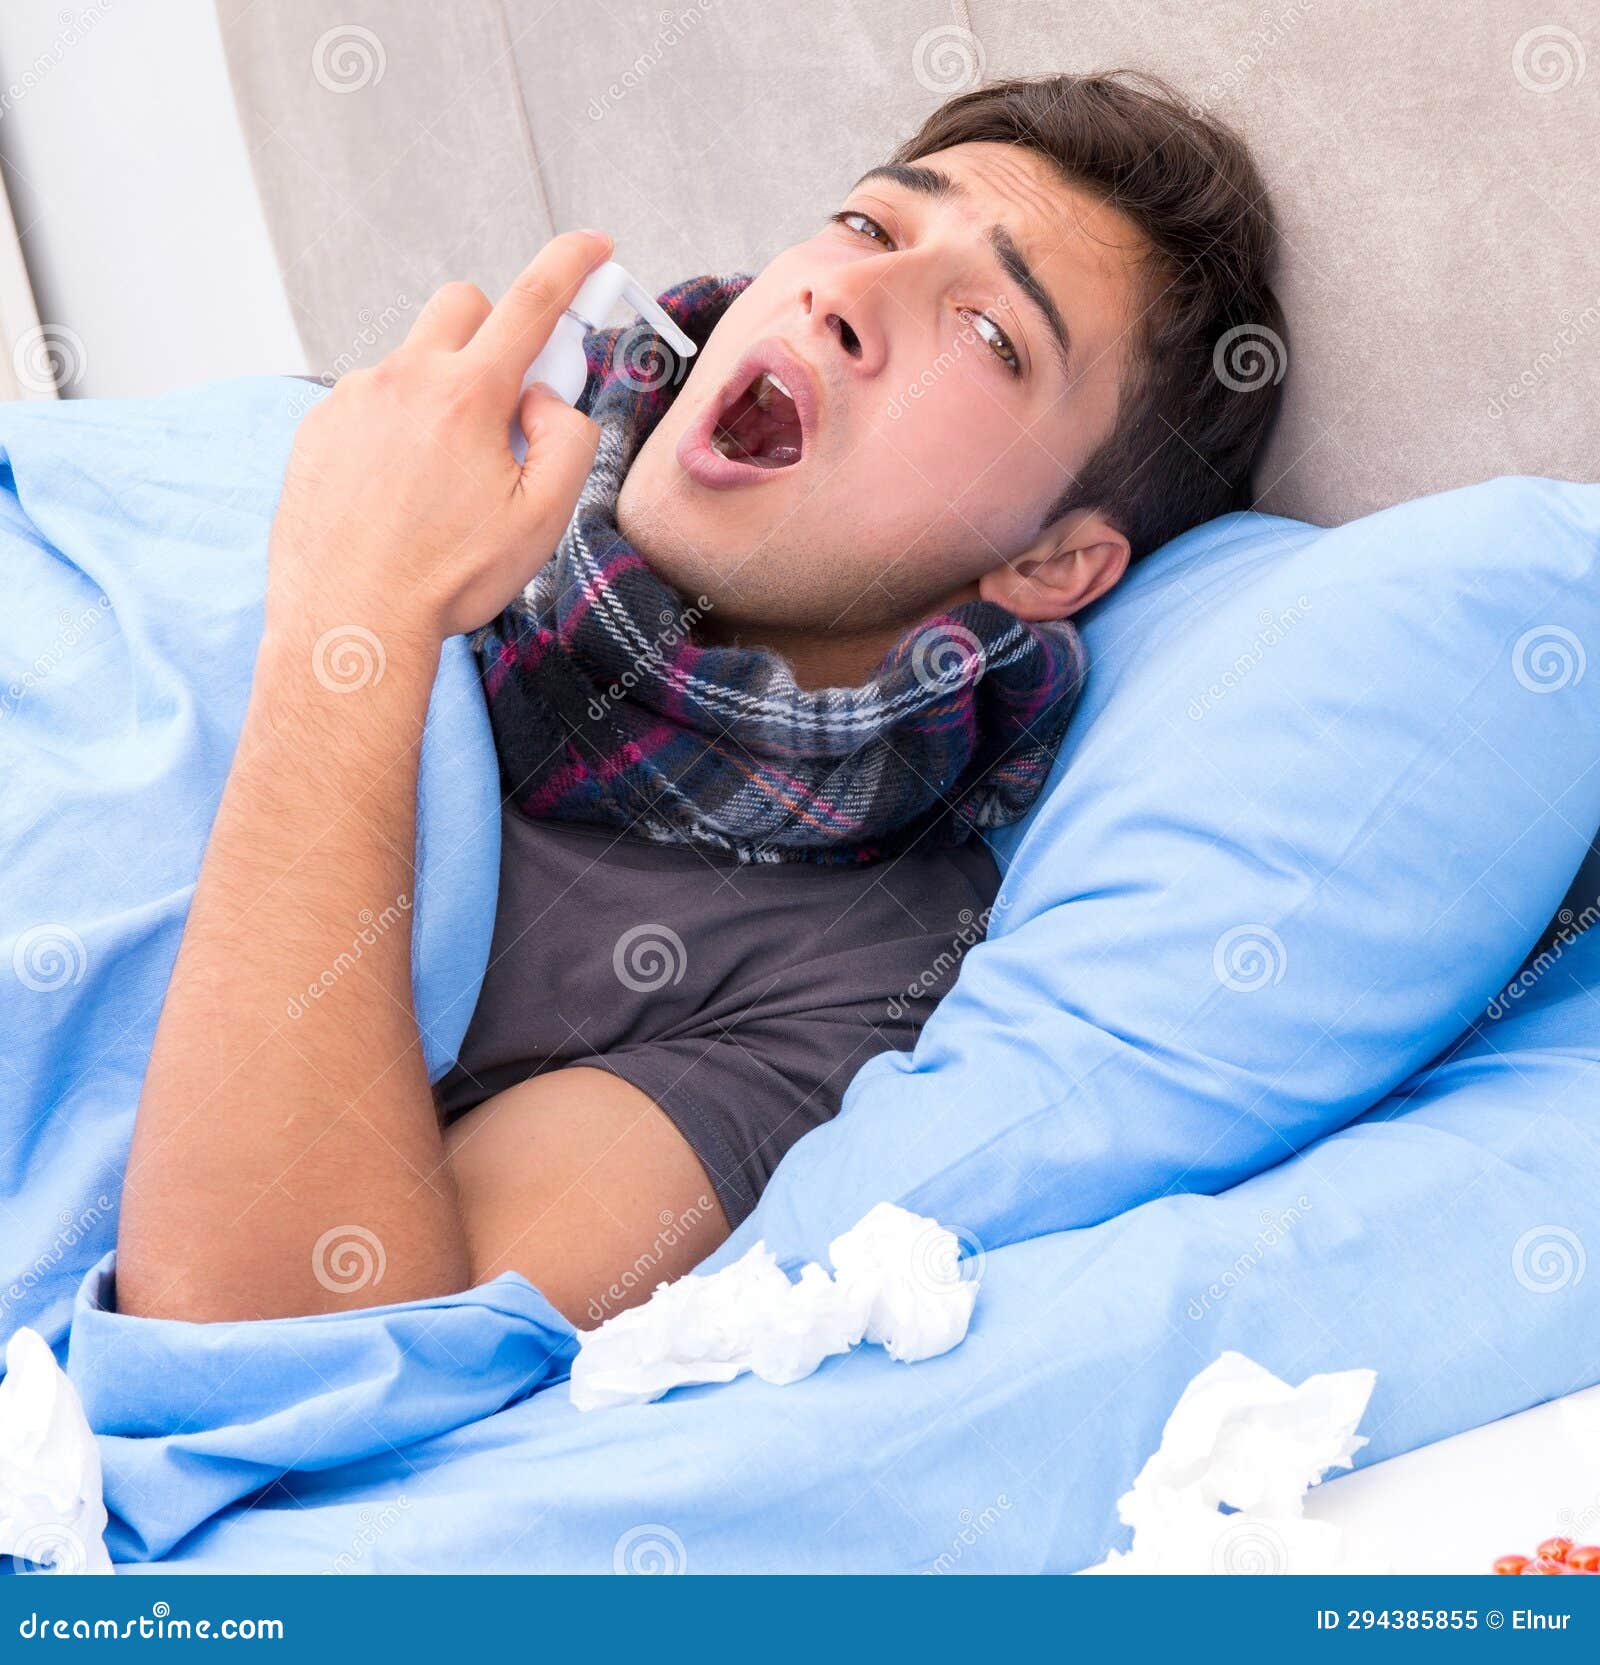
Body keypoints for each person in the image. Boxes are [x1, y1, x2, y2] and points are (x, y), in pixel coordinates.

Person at [115, 71, 1285, 1325]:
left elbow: (275, 1331)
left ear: (1051, 563)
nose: (844, 295)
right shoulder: (393, 450)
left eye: (990, 334)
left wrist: (354, 614)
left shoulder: (854, 970)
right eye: (868, 227)